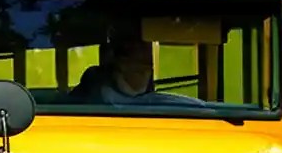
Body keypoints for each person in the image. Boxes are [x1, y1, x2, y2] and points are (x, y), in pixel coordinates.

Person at [67, 36, 204, 106]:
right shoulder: (91, 103)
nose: (145, 72)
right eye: (138, 65)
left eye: (147, 66)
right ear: (120, 63)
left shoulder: (161, 106)